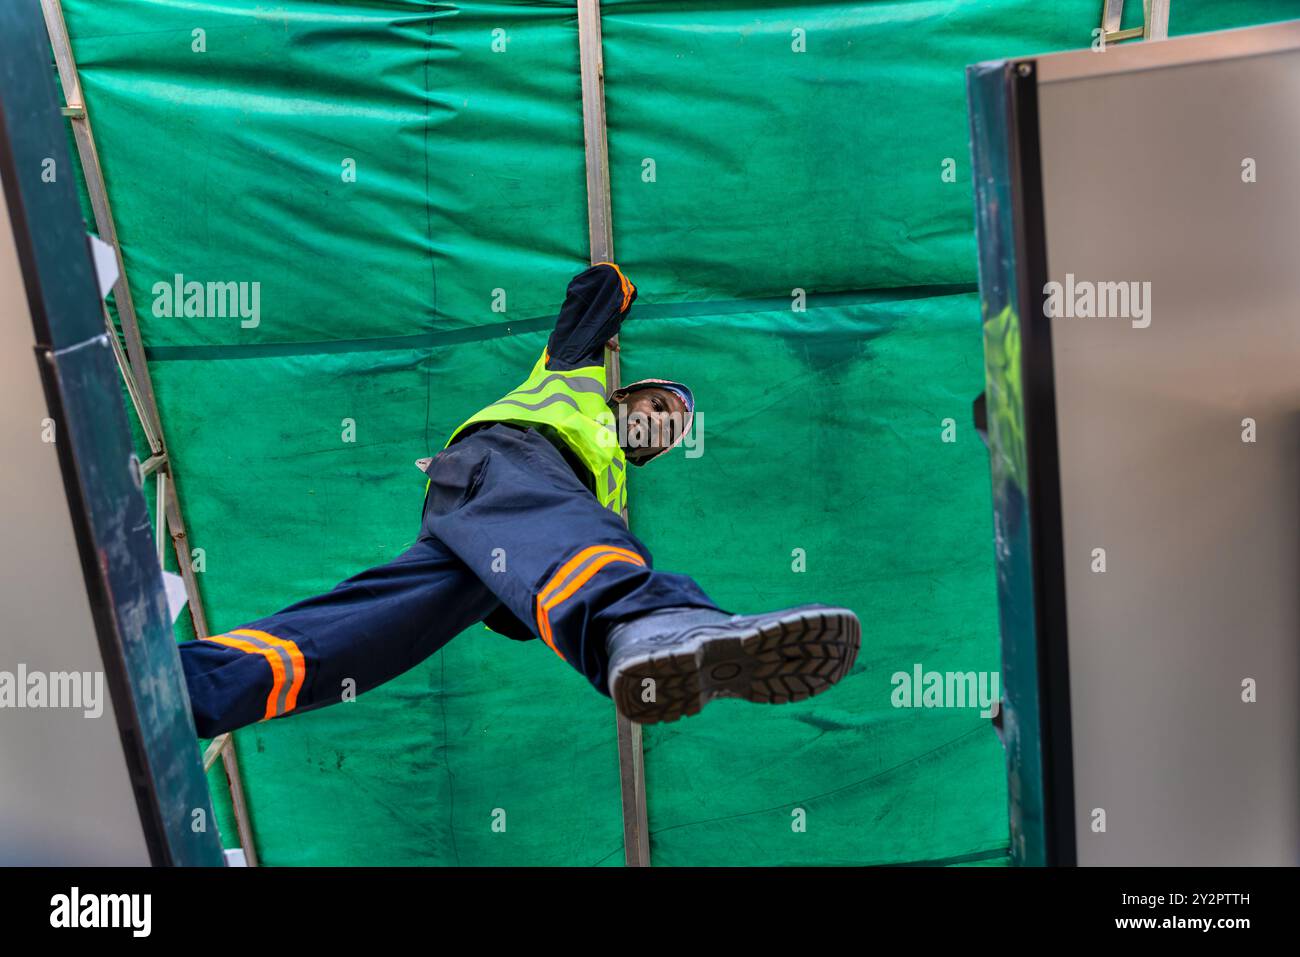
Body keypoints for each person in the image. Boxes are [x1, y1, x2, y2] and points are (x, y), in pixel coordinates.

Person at [178, 263, 860, 736]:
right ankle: (647, 620)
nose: (662, 421)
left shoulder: (606, 505)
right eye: (658, 404)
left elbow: (520, 606)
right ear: (625, 392)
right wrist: (615, 296)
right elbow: (591, 291)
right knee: (599, 554)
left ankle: (197, 686)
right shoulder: (577, 375)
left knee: (365, 635)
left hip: (483, 533)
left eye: (672, 430)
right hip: (506, 460)